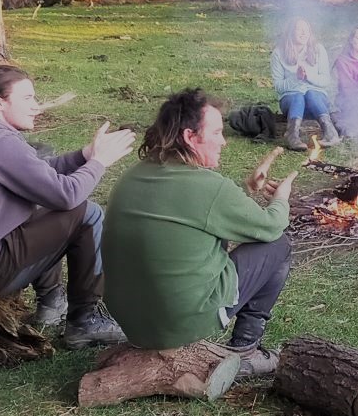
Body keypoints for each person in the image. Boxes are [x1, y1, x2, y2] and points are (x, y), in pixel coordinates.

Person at [0, 66, 133, 347]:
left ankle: (52, 304)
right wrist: (99, 162)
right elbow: (66, 195)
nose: (36, 107)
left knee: (44, 211)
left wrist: (86, 155)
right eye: (27, 98)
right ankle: (84, 321)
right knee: (87, 214)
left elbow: (41, 174)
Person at [103, 89, 296, 376]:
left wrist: (245, 193)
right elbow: (269, 227)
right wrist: (281, 198)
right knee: (278, 245)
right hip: (179, 324)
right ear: (190, 137)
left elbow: (194, 213)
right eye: (217, 132)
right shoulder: (209, 188)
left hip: (131, 323)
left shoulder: (132, 176)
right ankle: (245, 349)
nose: (224, 141)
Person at [270, 17, 336, 152]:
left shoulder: (318, 49)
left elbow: (325, 80)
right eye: (299, 29)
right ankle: (292, 135)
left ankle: (330, 132)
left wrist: (308, 76)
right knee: (298, 95)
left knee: (311, 93)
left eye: (306, 30)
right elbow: (278, 86)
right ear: (290, 32)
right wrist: (296, 78)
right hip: (292, 102)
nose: (303, 33)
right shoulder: (278, 53)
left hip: (316, 102)